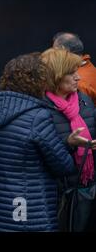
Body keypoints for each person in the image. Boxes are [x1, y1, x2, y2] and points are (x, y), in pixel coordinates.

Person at [0, 53, 87, 232]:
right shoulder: (37, 116)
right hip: (28, 209)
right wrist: (69, 144)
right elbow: (63, 166)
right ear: (37, 82)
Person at [41, 48, 96, 231]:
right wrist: (69, 144)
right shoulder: (40, 108)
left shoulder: (84, 101)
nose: (78, 78)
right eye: (72, 73)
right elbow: (40, 156)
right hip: (56, 196)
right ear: (56, 76)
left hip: (88, 189)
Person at [52, 32, 96, 104]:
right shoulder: (89, 67)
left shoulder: (78, 83)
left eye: (55, 51)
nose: (52, 55)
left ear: (65, 52)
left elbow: (79, 113)